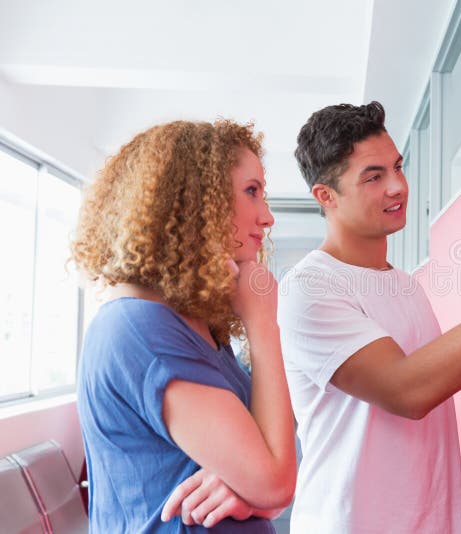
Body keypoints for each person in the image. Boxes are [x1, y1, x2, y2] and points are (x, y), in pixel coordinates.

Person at [278, 101, 461, 533]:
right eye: (374, 177)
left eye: (398, 167)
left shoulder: (404, 284)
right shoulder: (310, 287)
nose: (398, 186)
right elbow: (408, 391)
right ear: (326, 196)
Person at [71, 119, 296, 533]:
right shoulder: (139, 329)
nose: (267, 217)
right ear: (195, 198)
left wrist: (249, 491)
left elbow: (273, 457)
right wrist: (263, 321)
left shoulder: (191, 321)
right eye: (251, 191)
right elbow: (277, 481)